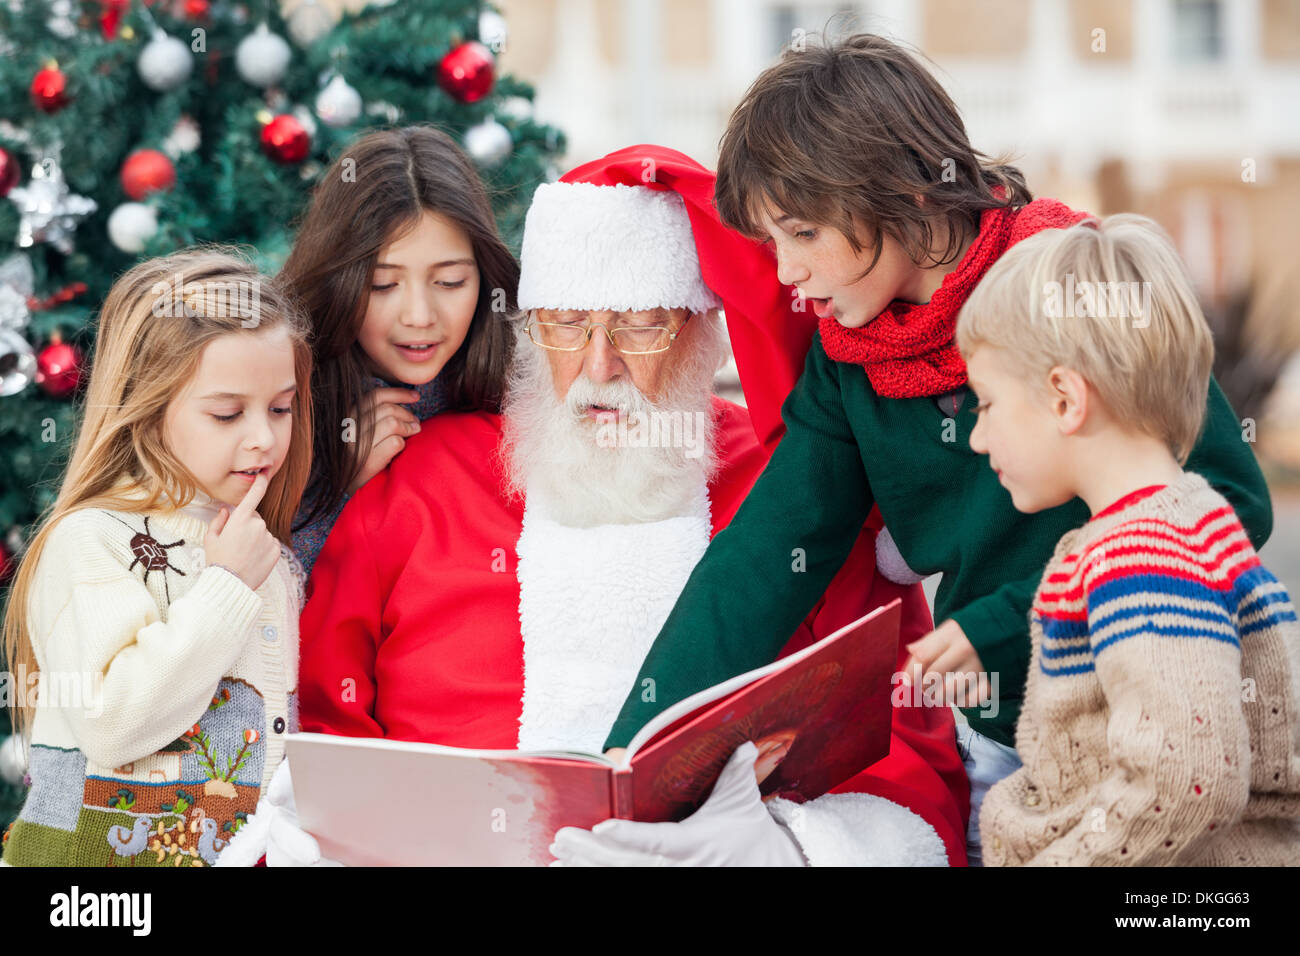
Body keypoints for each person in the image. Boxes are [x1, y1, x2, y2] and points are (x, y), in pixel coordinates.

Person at [600, 33, 1274, 865]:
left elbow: (1228, 500)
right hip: (1003, 748)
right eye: (772, 242)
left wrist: (996, 622)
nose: (784, 274)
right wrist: (631, 756)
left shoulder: (1075, 283)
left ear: (904, 196)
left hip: (1166, 727)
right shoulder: (851, 359)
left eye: (802, 233)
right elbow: (768, 556)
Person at [223, 146, 970, 867]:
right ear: (529, 330)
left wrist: (786, 848)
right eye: (567, 325)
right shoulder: (420, 477)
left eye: (641, 325)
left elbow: (909, 745)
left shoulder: (791, 488)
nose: (599, 364)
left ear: (701, 333)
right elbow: (321, 727)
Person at [956, 214, 1300, 865]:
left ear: (1064, 399)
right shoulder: (1196, 521)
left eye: (987, 404)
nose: (976, 436)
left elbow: (1188, 781)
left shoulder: (1142, 558)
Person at [0, 248, 312, 866]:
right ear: (148, 409)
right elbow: (113, 723)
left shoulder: (258, 551)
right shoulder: (89, 540)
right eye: (227, 412)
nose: (265, 437)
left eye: (281, 407)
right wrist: (225, 587)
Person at [281, 125, 518, 577]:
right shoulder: (281, 400)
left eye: (450, 282)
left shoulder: (526, 382)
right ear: (340, 281)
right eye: (383, 285)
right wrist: (345, 488)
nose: (420, 316)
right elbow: (250, 605)